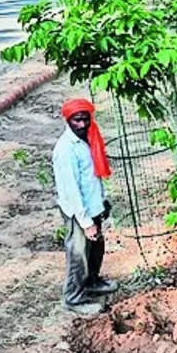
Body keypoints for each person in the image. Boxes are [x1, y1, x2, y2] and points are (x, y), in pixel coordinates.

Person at [52, 99, 118, 314]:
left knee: (96, 249)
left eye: (85, 119)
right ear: (68, 120)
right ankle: (73, 298)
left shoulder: (88, 139)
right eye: (76, 120)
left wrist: (101, 201)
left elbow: (92, 177)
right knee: (78, 254)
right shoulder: (66, 150)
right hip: (78, 212)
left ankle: (92, 282)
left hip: (92, 206)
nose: (81, 124)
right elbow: (71, 191)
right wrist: (86, 222)